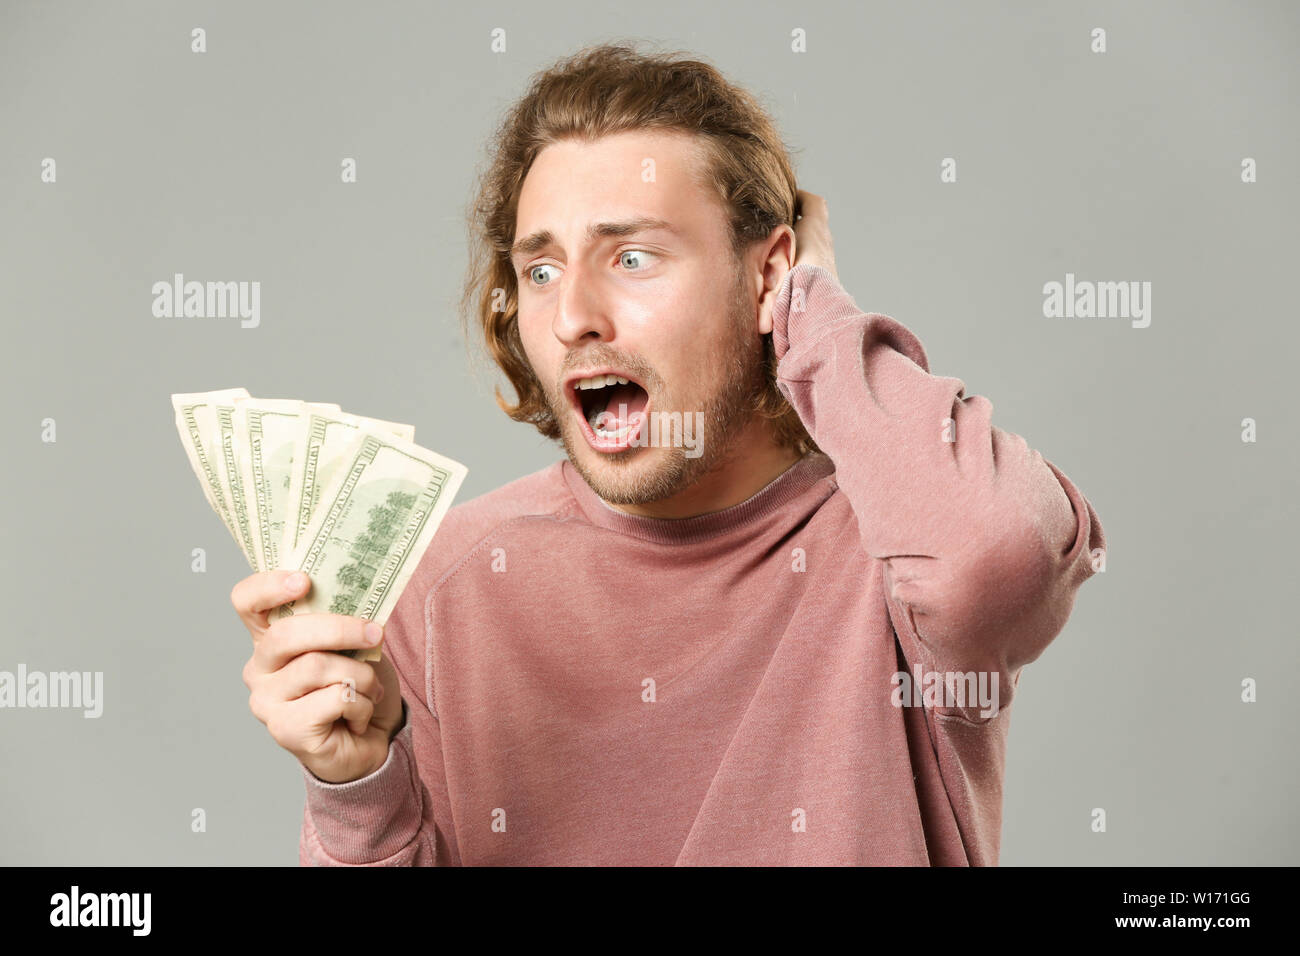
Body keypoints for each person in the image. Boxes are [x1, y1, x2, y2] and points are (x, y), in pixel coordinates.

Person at [230, 43, 1105, 866]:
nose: (574, 314)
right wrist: (356, 788)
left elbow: (1003, 551)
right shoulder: (447, 583)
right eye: (540, 271)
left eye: (633, 256)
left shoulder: (893, 547)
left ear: (768, 278)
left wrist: (820, 324)